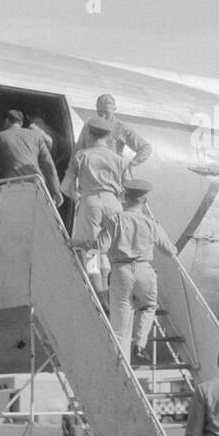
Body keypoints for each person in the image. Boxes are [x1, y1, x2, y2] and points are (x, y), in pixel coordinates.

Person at [99, 177, 175, 363]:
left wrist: (82, 246)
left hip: (121, 271)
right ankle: (140, 344)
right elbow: (171, 251)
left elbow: (100, 247)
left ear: (125, 197)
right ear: (145, 201)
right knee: (148, 307)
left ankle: (119, 365)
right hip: (145, 271)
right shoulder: (152, 224)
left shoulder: (114, 219)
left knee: (119, 326)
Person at [66, 118, 126, 301]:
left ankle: (99, 296)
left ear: (90, 134)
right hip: (114, 203)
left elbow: (66, 187)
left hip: (91, 201)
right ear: (109, 137)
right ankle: (106, 290)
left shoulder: (82, 156)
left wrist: (77, 197)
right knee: (107, 249)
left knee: (91, 250)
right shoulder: (119, 159)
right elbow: (126, 187)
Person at [0, 109, 62, 203]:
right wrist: (56, 191)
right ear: (21, 122)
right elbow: (49, 165)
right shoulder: (37, 136)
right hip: (37, 186)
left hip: (12, 188)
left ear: (6, 121)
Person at [76, 93, 152, 175]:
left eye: (106, 112)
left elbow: (146, 147)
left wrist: (132, 164)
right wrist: (71, 174)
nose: (103, 116)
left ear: (114, 109)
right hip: (90, 174)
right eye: (100, 112)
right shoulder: (89, 126)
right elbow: (77, 150)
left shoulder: (121, 128)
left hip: (112, 175)